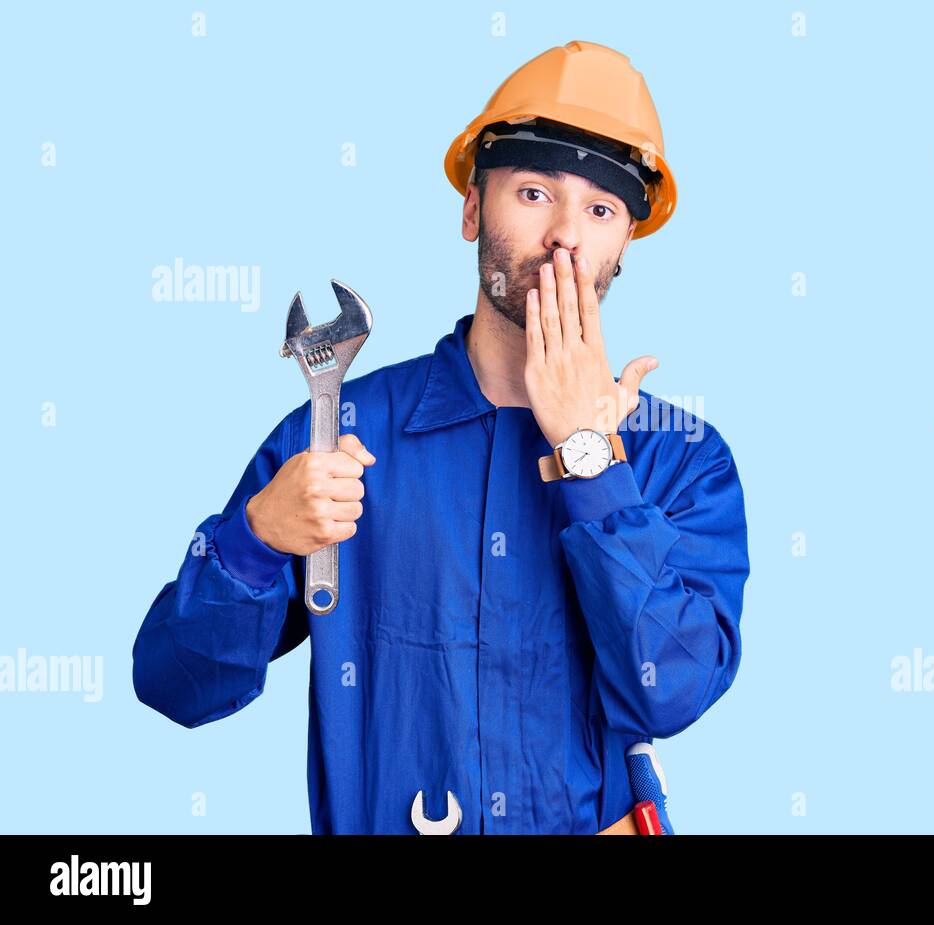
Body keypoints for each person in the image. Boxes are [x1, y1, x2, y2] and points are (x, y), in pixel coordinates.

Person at [132, 40, 749, 835]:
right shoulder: (332, 439)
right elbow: (173, 684)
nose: (565, 235)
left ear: (625, 242)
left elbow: (674, 691)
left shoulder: (682, 458)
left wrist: (588, 454)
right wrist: (253, 542)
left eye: (600, 210)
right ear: (471, 209)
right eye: (533, 192)